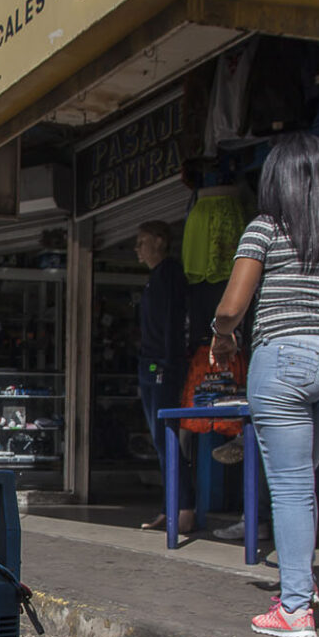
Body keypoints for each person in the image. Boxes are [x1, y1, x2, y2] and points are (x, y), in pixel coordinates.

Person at [210, 132, 319, 637]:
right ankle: (300, 584)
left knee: (289, 484)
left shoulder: (264, 229)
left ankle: (293, 609)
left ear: (276, 180)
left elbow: (230, 307)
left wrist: (221, 336)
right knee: (300, 477)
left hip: (285, 360)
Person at [134, 220, 197, 533]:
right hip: (151, 363)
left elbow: (174, 323)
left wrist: (169, 363)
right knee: (160, 439)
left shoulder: (169, 274)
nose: (137, 249)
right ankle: (171, 506)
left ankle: (182, 507)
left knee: (166, 437)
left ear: (159, 241)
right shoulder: (155, 278)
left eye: (142, 241)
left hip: (163, 365)